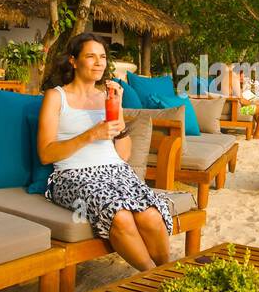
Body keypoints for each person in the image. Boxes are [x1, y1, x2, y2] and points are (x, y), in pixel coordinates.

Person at [37, 33, 173, 271]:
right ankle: (154, 278)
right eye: (90, 56)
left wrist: (118, 120)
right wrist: (91, 134)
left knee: (151, 216)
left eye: (102, 57)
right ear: (73, 61)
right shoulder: (56, 96)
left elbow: (123, 156)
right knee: (120, 216)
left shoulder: (107, 98)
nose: (99, 62)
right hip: (73, 176)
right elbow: (46, 154)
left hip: (116, 172)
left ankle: (169, 274)